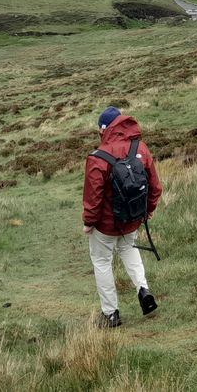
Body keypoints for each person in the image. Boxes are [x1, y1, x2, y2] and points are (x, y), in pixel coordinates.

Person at [83, 106, 162, 327]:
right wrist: (148, 210)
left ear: (103, 130)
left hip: (105, 226)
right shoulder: (141, 148)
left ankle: (111, 314)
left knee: (102, 262)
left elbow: (93, 196)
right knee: (130, 250)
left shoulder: (97, 158)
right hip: (133, 218)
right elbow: (155, 186)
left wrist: (89, 222)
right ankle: (143, 290)